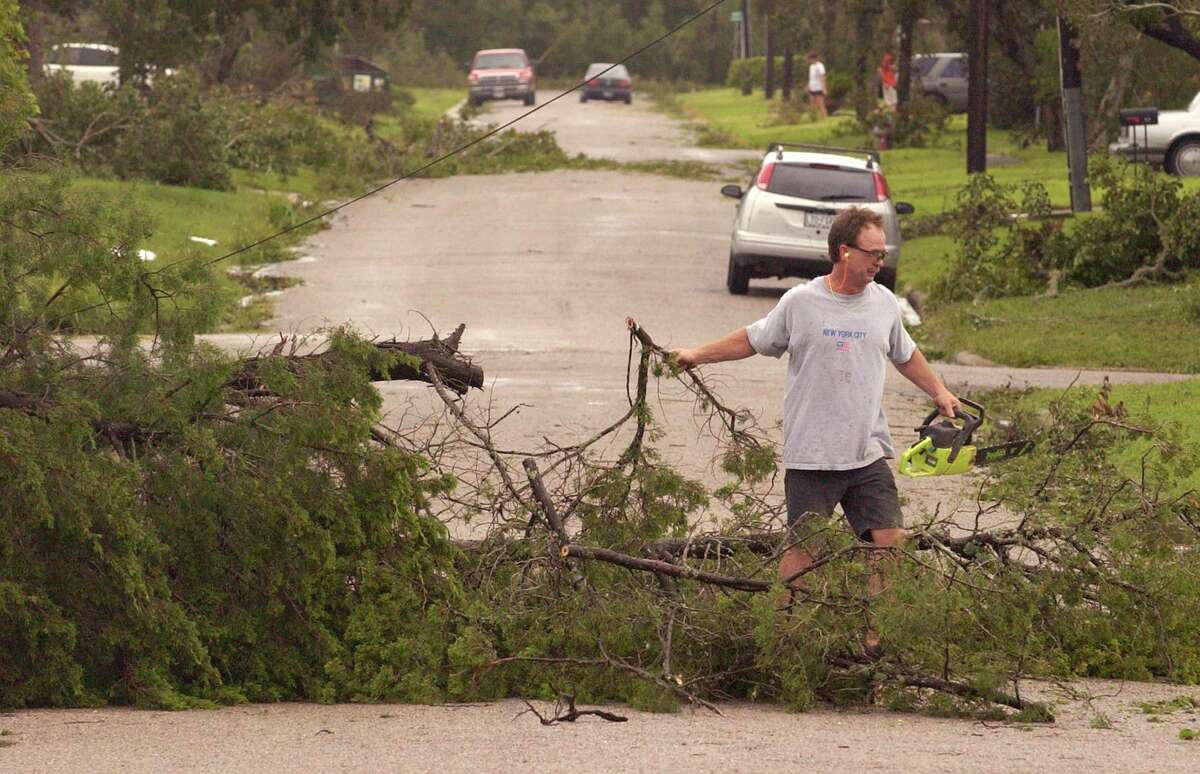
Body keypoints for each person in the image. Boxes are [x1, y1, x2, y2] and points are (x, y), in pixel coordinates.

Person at [672, 208, 959, 646]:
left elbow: (905, 354)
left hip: (866, 451)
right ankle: (783, 640)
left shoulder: (883, 303)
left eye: (883, 252)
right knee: (804, 551)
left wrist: (938, 391)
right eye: (872, 252)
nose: (880, 260)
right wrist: (697, 353)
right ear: (844, 251)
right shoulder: (801, 303)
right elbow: (753, 338)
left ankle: (875, 641)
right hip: (813, 454)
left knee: (889, 540)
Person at [806, 51, 827, 121]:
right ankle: (813, 118)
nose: (809, 60)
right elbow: (811, 78)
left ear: (813, 58)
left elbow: (822, 76)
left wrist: (824, 88)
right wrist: (808, 86)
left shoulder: (820, 66)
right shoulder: (811, 66)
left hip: (819, 88)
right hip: (812, 87)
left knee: (820, 105)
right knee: (812, 105)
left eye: (809, 59)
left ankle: (824, 119)